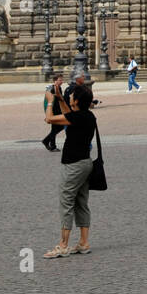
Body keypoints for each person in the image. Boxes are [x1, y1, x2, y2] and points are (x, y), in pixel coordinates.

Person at [42, 82, 97, 258]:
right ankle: (83, 242)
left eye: (72, 95)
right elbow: (69, 114)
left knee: (66, 202)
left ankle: (63, 244)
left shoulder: (77, 118)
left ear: (77, 100)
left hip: (73, 165)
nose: (70, 96)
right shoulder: (87, 116)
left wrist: (50, 102)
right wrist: (59, 97)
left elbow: (49, 119)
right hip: (85, 163)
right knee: (81, 202)